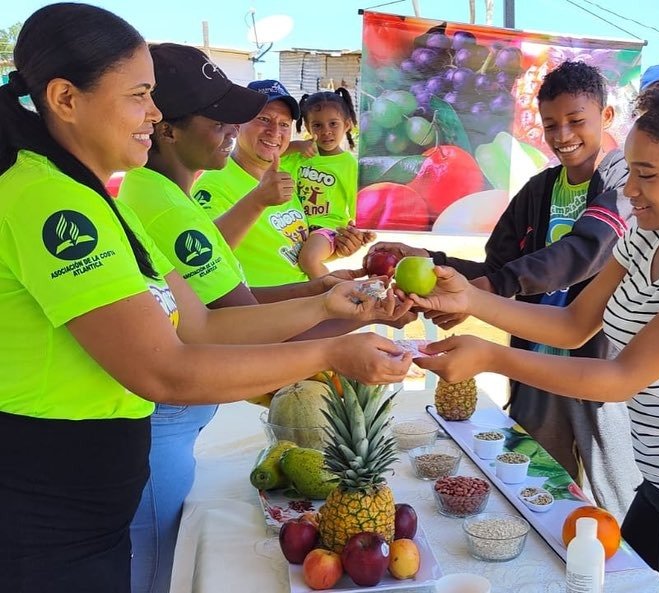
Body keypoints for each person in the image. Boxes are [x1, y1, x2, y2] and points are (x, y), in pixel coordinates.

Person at [0, 6, 411, 593]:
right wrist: (328, 355)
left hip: (86, 497)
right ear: (65, 98)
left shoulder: (95, 198)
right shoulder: (49, 201)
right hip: (49, 503)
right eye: (140, 95)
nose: (155, 113)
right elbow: (163, 369)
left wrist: (329, 309)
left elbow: (198, 326)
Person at [409, 80, 659, 593]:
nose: (629, 189)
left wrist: (492, 358)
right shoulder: (648, 236)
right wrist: (472, 300)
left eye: (646, 175)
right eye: (629, 170)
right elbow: (573, 325)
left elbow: (619, 378)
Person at [117, 43, 411, 593]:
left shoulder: (162, 195)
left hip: (176, 420)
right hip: (164, 424)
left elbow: (218, 315)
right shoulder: (166, 207)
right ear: (167, 129)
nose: (234, 127)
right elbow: (232, 326)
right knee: (153, 573)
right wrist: (339, 323)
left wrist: (332, 302)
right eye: (221, 116)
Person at [368, 60, 642, 520]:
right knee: (537, 483)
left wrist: (484, 291)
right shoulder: (537, 190)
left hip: (600, 366)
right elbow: (497, 267)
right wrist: (426, 262)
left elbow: (586, 250)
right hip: (535, 361)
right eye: (552, 124)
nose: (563, 135)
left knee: (618, 498)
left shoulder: (622, 184)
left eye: (577, 121)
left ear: (606, 118)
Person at [191, 80, 373, 290]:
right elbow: (204, 256)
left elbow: (290, 248)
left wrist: (337, 249)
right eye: (264, 119)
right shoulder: (214, 184)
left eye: (284, 124)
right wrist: (257, 201)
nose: (274, 131)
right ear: (237, 124)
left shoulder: (286, 174)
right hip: (264, 315)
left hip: (304, 309)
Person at [286, 88, 374, 278]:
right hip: (292, 226)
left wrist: (363, 230)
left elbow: (358, 203)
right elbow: (269, 157)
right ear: (308, 128)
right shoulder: (298, 156)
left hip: (327, 227)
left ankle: (333, 292)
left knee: (308, 259)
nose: (326, 131)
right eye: (317, 125)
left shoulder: (349, 164)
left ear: (347, 124)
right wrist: (295, 146)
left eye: (333, 124)